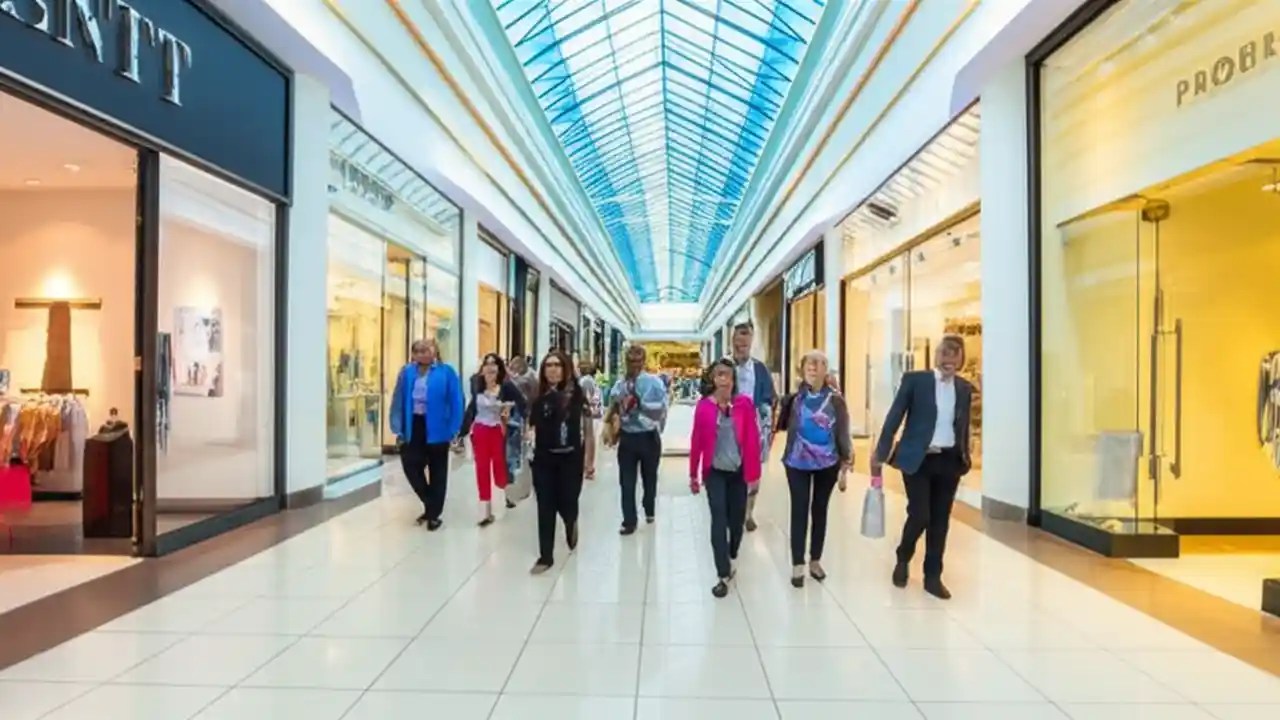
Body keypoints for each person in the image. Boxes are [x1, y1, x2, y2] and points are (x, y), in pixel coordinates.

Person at [873, 335, 974, 600]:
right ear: (936, 356)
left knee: (940, 521)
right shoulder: (915, 381)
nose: (948, 360)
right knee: (920, 514)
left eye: (954, 356)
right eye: (944, 354)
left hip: (949, 461)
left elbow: (963, 425)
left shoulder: (964, 388)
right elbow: (895, 416)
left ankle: (933, 576)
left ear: (961, 360)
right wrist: (881, 453)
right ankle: (903, 557)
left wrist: (965, 455)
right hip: (917, 459)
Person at [777, 350, 851, 588]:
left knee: (820, 510)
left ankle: (815, 560)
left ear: (826, 370)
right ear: (802, 368)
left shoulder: (836, 400)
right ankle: (797, 563)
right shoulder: (794, 399)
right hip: (796, 462)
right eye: (810, 362)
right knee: (799, 510)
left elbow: (843, 431)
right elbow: (782, 426)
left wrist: (847, 458)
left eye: (820, 363)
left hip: (827, 463)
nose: (814, 367)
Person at [689, 358, 761, 599]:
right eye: (718, 374)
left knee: (736, 521)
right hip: (715, 473)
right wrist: (694, 474)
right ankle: (722, 573)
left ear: (733, 380)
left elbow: (752, 441)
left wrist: (754, 475)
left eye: (726, 375)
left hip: (738, 472)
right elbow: (697, 440)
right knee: (718, 518)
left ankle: (732, 553)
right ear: (713, 379)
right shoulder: (704, 407)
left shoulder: (745, 405)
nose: (722, 379)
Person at [390, 339, 464, 531]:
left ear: (435, 351)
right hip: (413, 425)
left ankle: (433, 515)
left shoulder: (446, 372)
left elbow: (456, 400)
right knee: (410, 465)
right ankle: (431, 503)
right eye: (417, 350)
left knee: (438, 471)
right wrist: (397, 427)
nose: (422, 354)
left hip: (439, 427)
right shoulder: (407, 372)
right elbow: (398, 399)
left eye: (426, 350)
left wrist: (455, 428)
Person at [527, 349, 587, 574]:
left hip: (571, 457)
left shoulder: (577, 393)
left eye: (557, 365)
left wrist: (590, 459)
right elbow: (531, 425)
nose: (553, 370)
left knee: (568, 501)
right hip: (544, 458)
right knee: (545, 506)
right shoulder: (538, 396)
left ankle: (571, 521)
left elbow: (586, 428)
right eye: (548, 365)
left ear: (565, 369)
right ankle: (546, 556)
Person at [606, 345, 668, 534]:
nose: (634, 365)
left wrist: (642, 405)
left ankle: (649, 507)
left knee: (650, 478)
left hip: (648, 437)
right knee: (626, 481)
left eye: (638, 361)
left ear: (644, 361)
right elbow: (612, 409)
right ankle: (629, 520)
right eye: (630, 361)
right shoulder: (619, 386)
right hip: (628, 438)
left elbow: (662, 410)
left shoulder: (654, 383)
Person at [462, 353, 526, 526]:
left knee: (499, 466)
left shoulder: (506, 386)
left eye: (493, 364)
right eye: (487, 363)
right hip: (480, 430)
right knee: (482, 468)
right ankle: (485, 510)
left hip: (498, 430)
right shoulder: (477, 384)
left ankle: (504, 497)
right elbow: (472, 408)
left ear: (499, 367)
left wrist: (513, 413)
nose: (490, 367)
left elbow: (522, 403)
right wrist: (462, 431)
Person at [729, 321, 776, 533]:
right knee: (732, 470)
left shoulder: (760, 369)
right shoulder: (723, 366)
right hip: (729, 427)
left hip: (754, 427)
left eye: (745, 345)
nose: (741, 349)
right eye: (738, 344)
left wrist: (767, 426)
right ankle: (734, 510)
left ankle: (748, 513)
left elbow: (769, 398)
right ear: (732, 342)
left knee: (753, 475)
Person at [578, 360, 602, 480]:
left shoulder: (585, 381)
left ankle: (588, 466)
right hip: (592, 413)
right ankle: (588, 466)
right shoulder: (590, 380)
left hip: (588, 414)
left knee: (588, 438)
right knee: (589, 438)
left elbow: (586, 398)